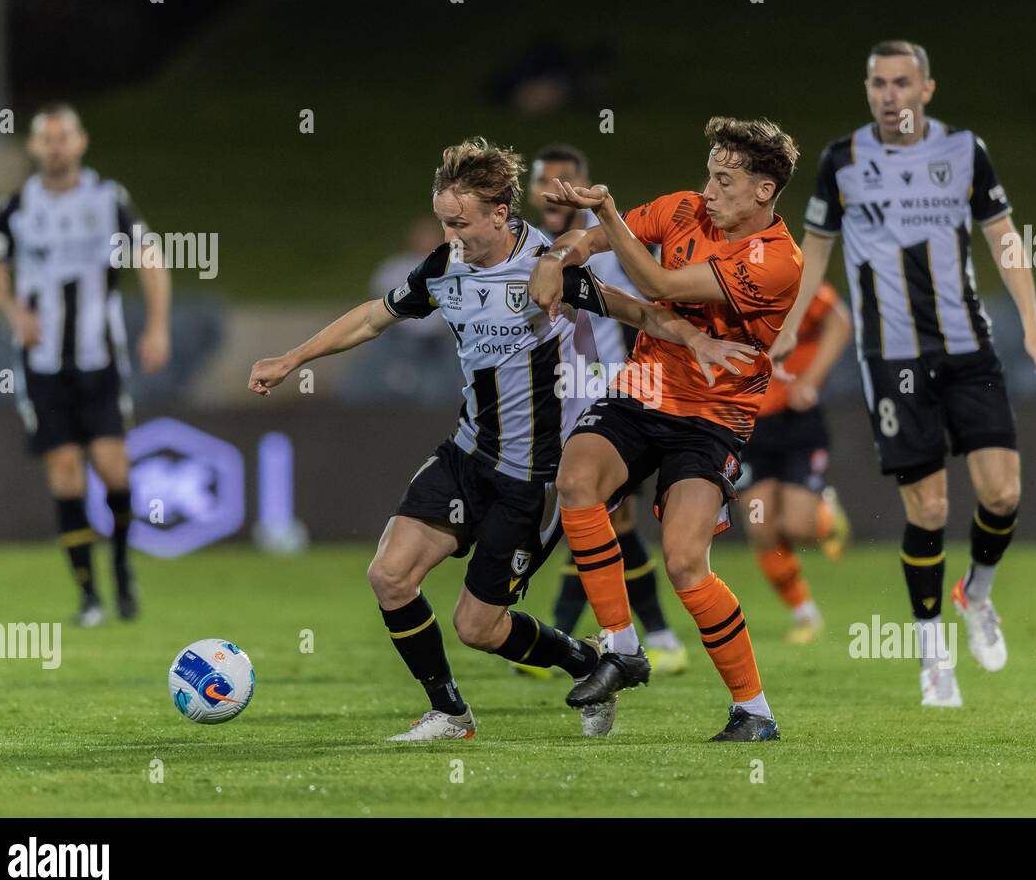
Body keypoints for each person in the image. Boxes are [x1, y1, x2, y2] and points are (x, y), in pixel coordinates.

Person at [248, 137, 750, 741]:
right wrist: (290, 358)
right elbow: (374, 316)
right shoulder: (444, 266)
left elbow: (638, 312)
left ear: (499, 214)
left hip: (532, 478)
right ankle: (450, 713)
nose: (450, 233)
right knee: (389, 576)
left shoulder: (546, 266)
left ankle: (588, 663)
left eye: (459, 222)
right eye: (442, 220)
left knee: (478, 627)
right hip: (465, 453)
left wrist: (697, 343)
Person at [781, 41, 1036, 707]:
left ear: (926, 90)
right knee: (929, 507)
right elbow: (814, 250)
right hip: (893, 358)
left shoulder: (964, 151)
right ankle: (935, 659)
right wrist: (789, 325)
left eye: (902, 83)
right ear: (868, 88)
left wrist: (1032, 318)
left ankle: (977, 594)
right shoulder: (842, 160)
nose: (889, 95)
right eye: (878, 83)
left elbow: (1004, 238)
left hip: (968, 350)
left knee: (1002, 494)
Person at [530, 116, 804, 742]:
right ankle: (624, 649)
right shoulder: (683, 209)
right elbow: (589, 241)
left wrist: (607, 212)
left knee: (685, 563)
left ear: (764, 191)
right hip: (643, 389)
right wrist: (557, 255)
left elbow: (653, 284)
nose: (708, 190)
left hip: (713, 417)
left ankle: (754, 712)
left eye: (725, 180)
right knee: (576, 480)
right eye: (709, 174)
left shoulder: (777, 261)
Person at [0, 102, 171, 626]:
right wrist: (14, 310)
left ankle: (124, 570)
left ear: (81, 143)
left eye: (64, 137)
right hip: (41, 365)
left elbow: (150, 258)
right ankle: (89, 596)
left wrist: (157, 325)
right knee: (65, 473)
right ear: (34, 147)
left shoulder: (108, 199)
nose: (56, 146)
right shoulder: (17, 205)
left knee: (112, 466)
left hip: (99, 358)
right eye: (47, 138)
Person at [527, 143, 687, 677]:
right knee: (588, 515)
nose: (552, 190)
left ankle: (647, 635)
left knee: (610, 514)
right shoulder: (527, 248)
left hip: (611, 389)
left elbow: (650, 304)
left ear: (581, 187)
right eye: (542, 180)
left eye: (563, 180)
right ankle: (601, 633)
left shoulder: (611, 244)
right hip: (555, 396)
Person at [740, 281, 852, 643]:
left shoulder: (790, 279)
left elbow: (841, 322)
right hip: (747, 420)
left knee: (798, 526)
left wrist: (811, 379)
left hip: (796, 419)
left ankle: (825, 515)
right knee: (760, 524)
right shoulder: (721, 280)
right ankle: (806, 615)